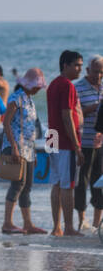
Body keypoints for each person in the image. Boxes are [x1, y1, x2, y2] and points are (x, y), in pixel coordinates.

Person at [1, 68, 47, 235]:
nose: (38, 89)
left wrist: (33, 152)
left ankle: (28, 224)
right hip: (16, 147)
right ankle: (7, 223)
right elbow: (6, 123)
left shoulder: (29, 100)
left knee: (27, 186)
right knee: (18, 184)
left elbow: (31, 129)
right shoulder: (16, 98)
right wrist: (13, 147)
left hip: (27, 149)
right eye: (36, 86)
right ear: (28, 84)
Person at [46, 50, 85, 236]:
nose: (80, 69)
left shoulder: (53, 84)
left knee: (56, 183)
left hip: (52, 137)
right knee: (67, 185)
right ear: (65, 65)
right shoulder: (67, 85)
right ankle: (68, 226)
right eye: (77, 65)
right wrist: (77, 146)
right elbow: (67, 115)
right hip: (64, 141)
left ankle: (57, 226)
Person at [74, 55, 103, 231]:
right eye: (95, 72)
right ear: (87, 71)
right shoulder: (78, 89)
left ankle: (96, 222)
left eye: (101, 72)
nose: (98, 75)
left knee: (99, 182)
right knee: (81, 182)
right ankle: (81, 220)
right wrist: (92, 108)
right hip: (84, 142)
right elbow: (73, 116)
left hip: (101, 144)